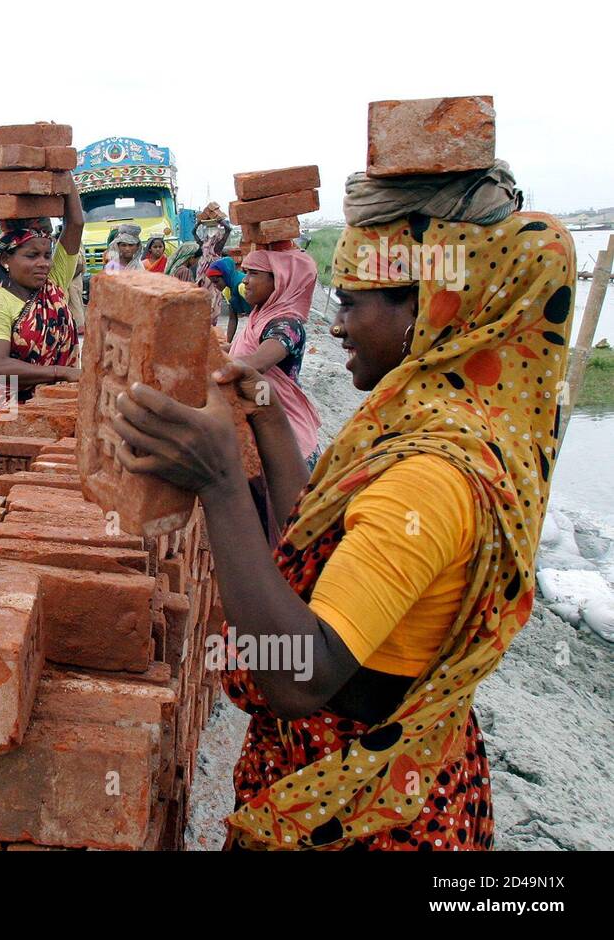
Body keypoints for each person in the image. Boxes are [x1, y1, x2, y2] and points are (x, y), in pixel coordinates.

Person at [111, 173, 575, 850]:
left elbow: (303, 674)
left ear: (433, 309)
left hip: (363, 804)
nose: (335, 325)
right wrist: (263, 413)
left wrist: (219, 484)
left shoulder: (432, 475)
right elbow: (329, 550)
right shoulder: (444, 418)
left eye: (354, 304)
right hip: (397, 765)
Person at [0, 188, 84, 434]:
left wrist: (65, 177)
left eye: (47, 255)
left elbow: (76, 224)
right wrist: (62, 373)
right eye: (31, 255)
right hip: (15, 414)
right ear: (6, 259)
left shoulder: (54, 284)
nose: (43, 263)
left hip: (63, 404)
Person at [231, 248, 322, 464]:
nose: (245, 281)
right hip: (259, 419)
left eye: (254, 273)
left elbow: (257, 363)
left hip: (286, 432)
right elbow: (239, 351)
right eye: (246, 272)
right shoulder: (260, 316)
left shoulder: (286, 324)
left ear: (280, 281)